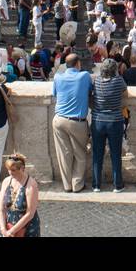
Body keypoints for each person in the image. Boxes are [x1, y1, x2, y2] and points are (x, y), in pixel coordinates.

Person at [50, 53, 92, 192]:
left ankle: (67, 185)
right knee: (80, 153)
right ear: (78, 64)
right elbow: (90, 91)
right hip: (77, 122)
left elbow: (55, 94)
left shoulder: (57, 77)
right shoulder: (84, 76)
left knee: (64, 154)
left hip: (59, 119)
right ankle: (77, 184)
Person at [90, 57, 127, 192]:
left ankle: (96, 184)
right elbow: (125, 93)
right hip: (115, 120)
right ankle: (117, 184)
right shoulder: (119, 81)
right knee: (115, 154)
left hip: (98, 120)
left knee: (97, 154)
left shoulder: (97, 81)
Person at [0, 152, 41, 237]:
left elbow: (30, 213)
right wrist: (3, 230)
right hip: (8, 228)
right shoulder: (6, 181)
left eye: (13, 170)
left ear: (22, 168)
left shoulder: (31, 185)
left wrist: (12, 231)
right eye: (8, 169)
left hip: (27, 229)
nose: (10, 173)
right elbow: (1, 209)